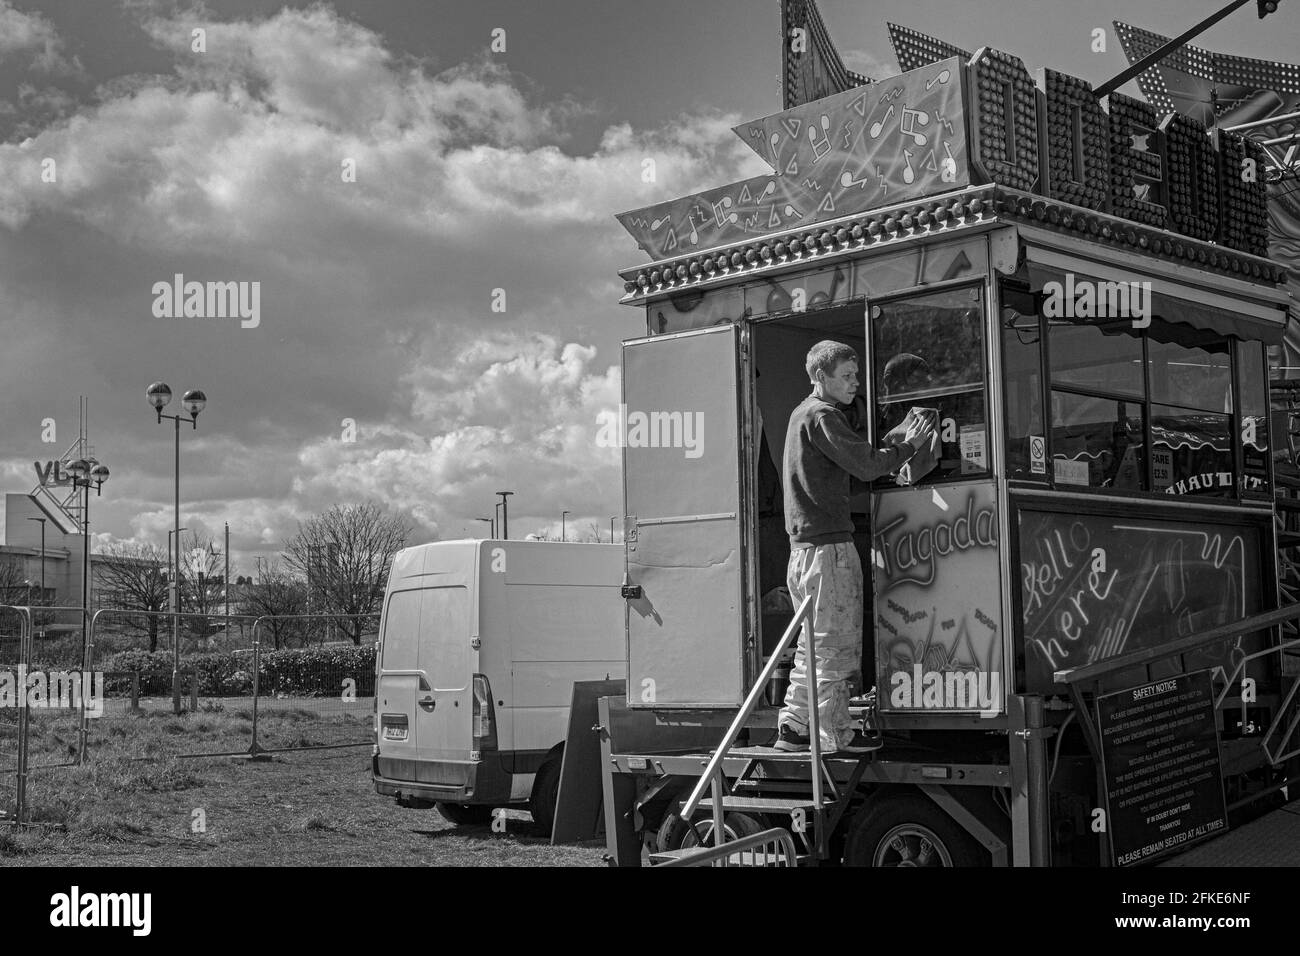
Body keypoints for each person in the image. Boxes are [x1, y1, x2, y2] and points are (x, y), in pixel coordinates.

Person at [776, 340, 936, 754]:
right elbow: (865, 466)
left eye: (856, 374)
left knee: (811, 646)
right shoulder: (824, 415)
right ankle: (836, 735)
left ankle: (793, 727)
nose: (855, 383)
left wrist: (889, 444)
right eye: (846, 376)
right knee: (837, 645)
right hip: (829, 551)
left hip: (802, 552)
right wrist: (909, 447)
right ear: (820, 377)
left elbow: (852, 459)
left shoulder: (800, 415)